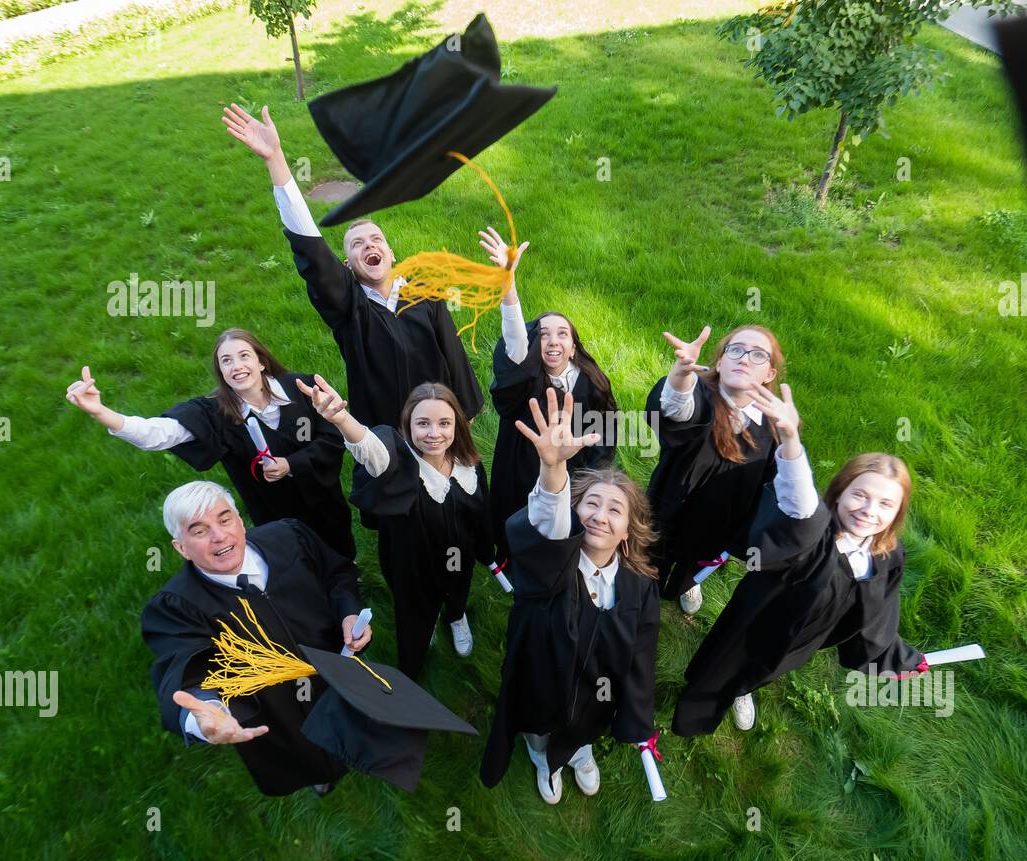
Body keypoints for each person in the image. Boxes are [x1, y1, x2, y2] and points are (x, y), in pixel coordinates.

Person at [671, 384, 927, 736]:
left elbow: (876, 621)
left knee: (766, 670)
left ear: (898, 512)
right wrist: (790, 438)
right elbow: (798, 492)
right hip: (755, 620)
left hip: (803, 639)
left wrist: (898, 659)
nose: (869, 511)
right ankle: (698, 706)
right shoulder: (812, 531)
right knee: (719, 667)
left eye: (885, 504)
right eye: (860, 496)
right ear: (839, 493)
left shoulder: (887, 556)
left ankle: (744, 690)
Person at [221, 102, 485, 429]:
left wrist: (466, 409)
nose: (369, 245)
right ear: (347, 266)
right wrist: (276, 160)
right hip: (385, 431)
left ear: (391, 255)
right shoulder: (349, 309)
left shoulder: (424, 295)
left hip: (438, 424)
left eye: (376, 239)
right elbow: (312, 249)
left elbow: (452, 351)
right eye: (357, 244)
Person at [480, 388, 661, 804]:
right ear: (574, 513)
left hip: (596, 692)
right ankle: (543, 757)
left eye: (615, 510)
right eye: (590, 504)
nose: (600, 515)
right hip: (540, 677)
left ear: (628, 530)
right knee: (539, 726)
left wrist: (637, 719)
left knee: (584, 725)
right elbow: (549, 519)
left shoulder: (639, 588)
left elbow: (641, 656)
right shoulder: (550, 565)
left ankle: (578, 752)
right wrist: (553, 468)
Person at [141, 480, 372, 796]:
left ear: (239, 519)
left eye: (224, 519)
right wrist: (204, 714)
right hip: (278, 709)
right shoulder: (178, 607)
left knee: (355, 720)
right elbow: (184, 674)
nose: (219, 536)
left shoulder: (290, 536)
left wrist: (348, 611)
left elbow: (337, 576)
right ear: (180, 548)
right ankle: (322, 775)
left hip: (335, 665)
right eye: (199, 530)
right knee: (309, 755)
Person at [65, 328, 355, 558]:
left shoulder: (299, 387)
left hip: (323, 498)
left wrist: (291, 464)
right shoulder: (214, 412)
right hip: (272, 509)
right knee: (294, 557)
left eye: (244, 356)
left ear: (261, 361)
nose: (236, 366)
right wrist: (102, 413)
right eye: (226, 360)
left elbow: (333, 438)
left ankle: (346, 576)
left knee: (338, 546)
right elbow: (158, 433)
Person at [296, 374, 495, 678]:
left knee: (458, 587)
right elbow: (370, 448)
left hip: (459, 554)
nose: (434, 434)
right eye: (423, 423)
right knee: (414, 610)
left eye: (444, 423)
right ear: (408, 425)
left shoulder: (469, 465)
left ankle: (456, 616)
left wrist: (485, 548)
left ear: (457, 425)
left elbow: (481, 513)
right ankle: (421, 634)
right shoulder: (398, 465)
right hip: (410, 561)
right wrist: (342, 419)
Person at [479, 226, 617, 563]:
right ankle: (513, 564)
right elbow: (514, 340)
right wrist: (508, 285)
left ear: (573, 347)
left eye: (562, 334)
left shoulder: (593, 384)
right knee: (518, 528)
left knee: (561, 539)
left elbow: (606, 436)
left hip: (575, 476)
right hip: (521, 471)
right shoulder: (524, 381)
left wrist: (592, 478)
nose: (553, 340)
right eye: (543, 334)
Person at [645, 324, 784, 614]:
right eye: (736, 350)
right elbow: (677, 411)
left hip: (720, 520)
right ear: (720, 362)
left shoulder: (773, 424)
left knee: (699, 559)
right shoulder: (700, 395)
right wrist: (682, 374)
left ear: (770, 373)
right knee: (653, 550)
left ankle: (689, 582)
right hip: (670, 502)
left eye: (758, 355)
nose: (745, 358)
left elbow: (773, 484)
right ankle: (644, 586)